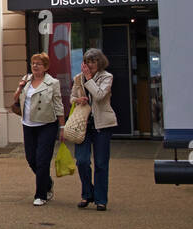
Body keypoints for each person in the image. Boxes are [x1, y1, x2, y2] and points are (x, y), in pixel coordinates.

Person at [12, 52, 64, 206]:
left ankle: (41, 194)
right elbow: (15, 100)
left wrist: (62, 127)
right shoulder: (26, 80)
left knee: (42, 160)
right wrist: (20, 87)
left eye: (39, 64)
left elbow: (58, 105)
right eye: (33, 63)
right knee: (31, 159)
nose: (35, 66)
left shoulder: (52, 83)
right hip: (28, 125)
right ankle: (47, 183)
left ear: (45, 67)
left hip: (47, 124)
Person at [71, 48, 116, 210]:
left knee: (101, 163)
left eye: (93, 61)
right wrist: (78, 99)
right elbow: (71, 97)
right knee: (82, 161)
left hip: (102, 125)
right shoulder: (78, 78)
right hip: (83, 124)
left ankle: (101, 199)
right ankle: (87, 193)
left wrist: (89, 79)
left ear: (99, 62)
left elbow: (99, 95)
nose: (90, 65)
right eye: (88, 61)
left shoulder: (106, 77)